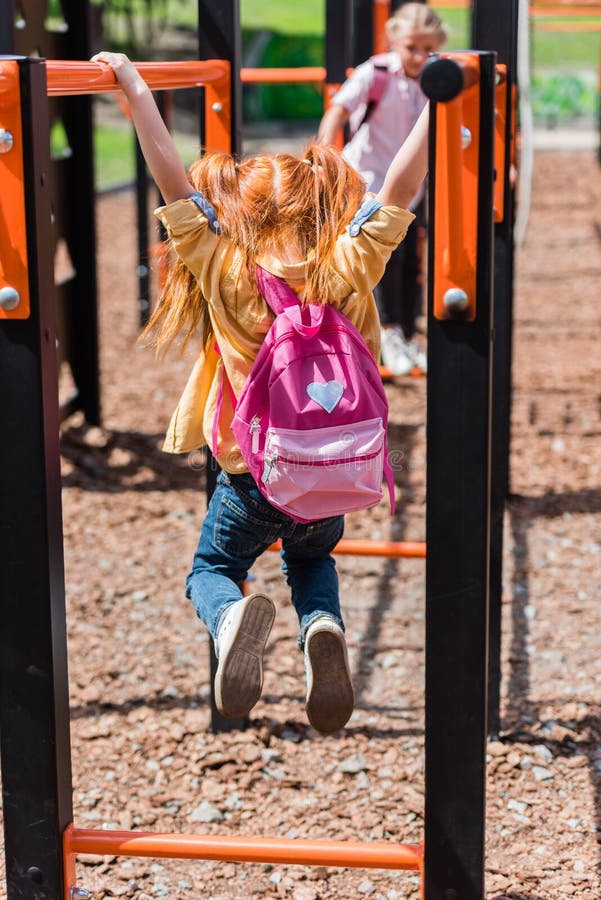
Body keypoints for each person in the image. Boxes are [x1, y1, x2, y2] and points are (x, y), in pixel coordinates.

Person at [91, 50, 430, 734]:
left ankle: (229, 616)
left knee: (213, 567)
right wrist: (438, 104)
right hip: (334, 468)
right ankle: (320, 629)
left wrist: (132, 82)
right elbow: (398, 187)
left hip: (252, 473)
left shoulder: (220, 261)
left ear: (237, 210)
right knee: (311, 559)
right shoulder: (347, 261)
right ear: (317, 204)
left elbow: (166, 168)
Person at [317, 2, 448, 376]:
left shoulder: (435, 78)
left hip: (412, 186)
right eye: (412, 48)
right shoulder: (375, 73)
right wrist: (326, 156)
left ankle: (406, 333)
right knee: (382, 258)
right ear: (394, 41)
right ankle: (387, 331)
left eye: (427, 48)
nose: (420, 56)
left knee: (410, 259)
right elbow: (338, 110)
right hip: (369, 182)